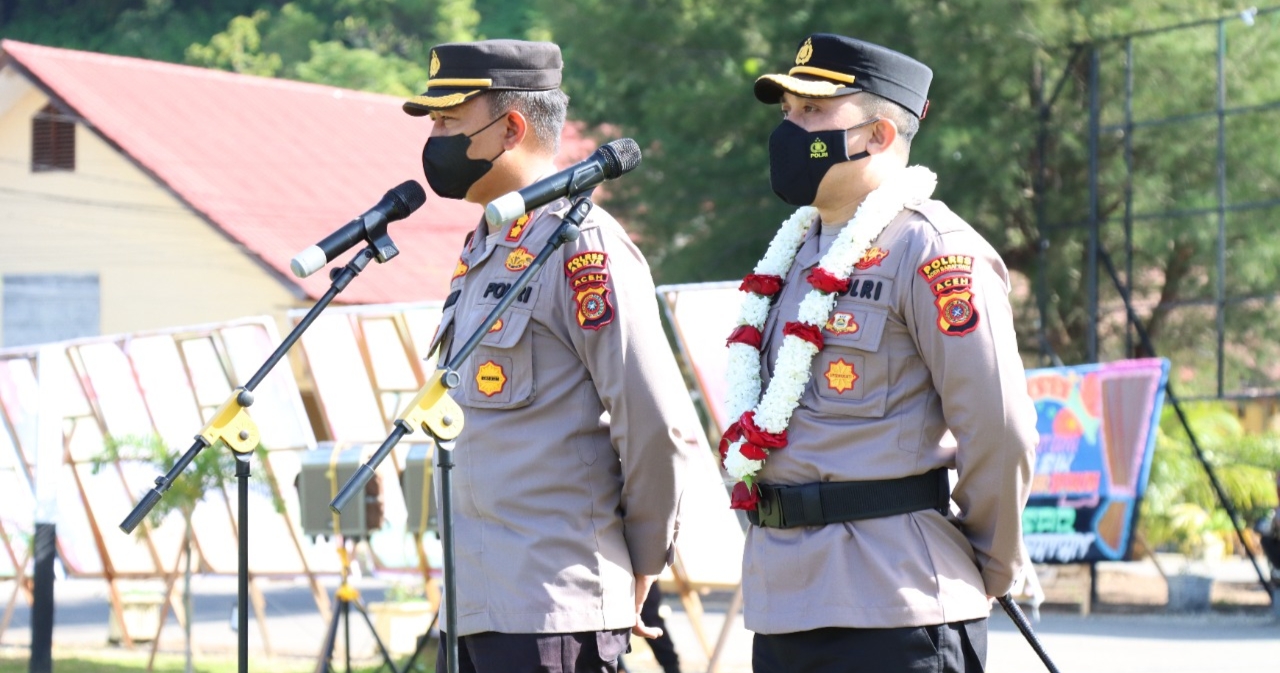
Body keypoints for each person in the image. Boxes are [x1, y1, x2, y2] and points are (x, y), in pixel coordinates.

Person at [718, 33, 1038, 672]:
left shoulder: (933, 250)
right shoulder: (794, 256)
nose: (790, 132)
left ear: (879, 135)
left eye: (812, 113)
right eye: (786, 114)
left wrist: (985, 563)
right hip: (785, 604)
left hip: (897, 603)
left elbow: (998, 429)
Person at [402, 40, 701, 673]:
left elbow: (656, 422)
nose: (435, 138)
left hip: (553, 609)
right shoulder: (488, 243)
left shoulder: (579, 243)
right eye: (432, 123)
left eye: (449, 122)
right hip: (478, 604)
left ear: (510, 127)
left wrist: (644, 562)